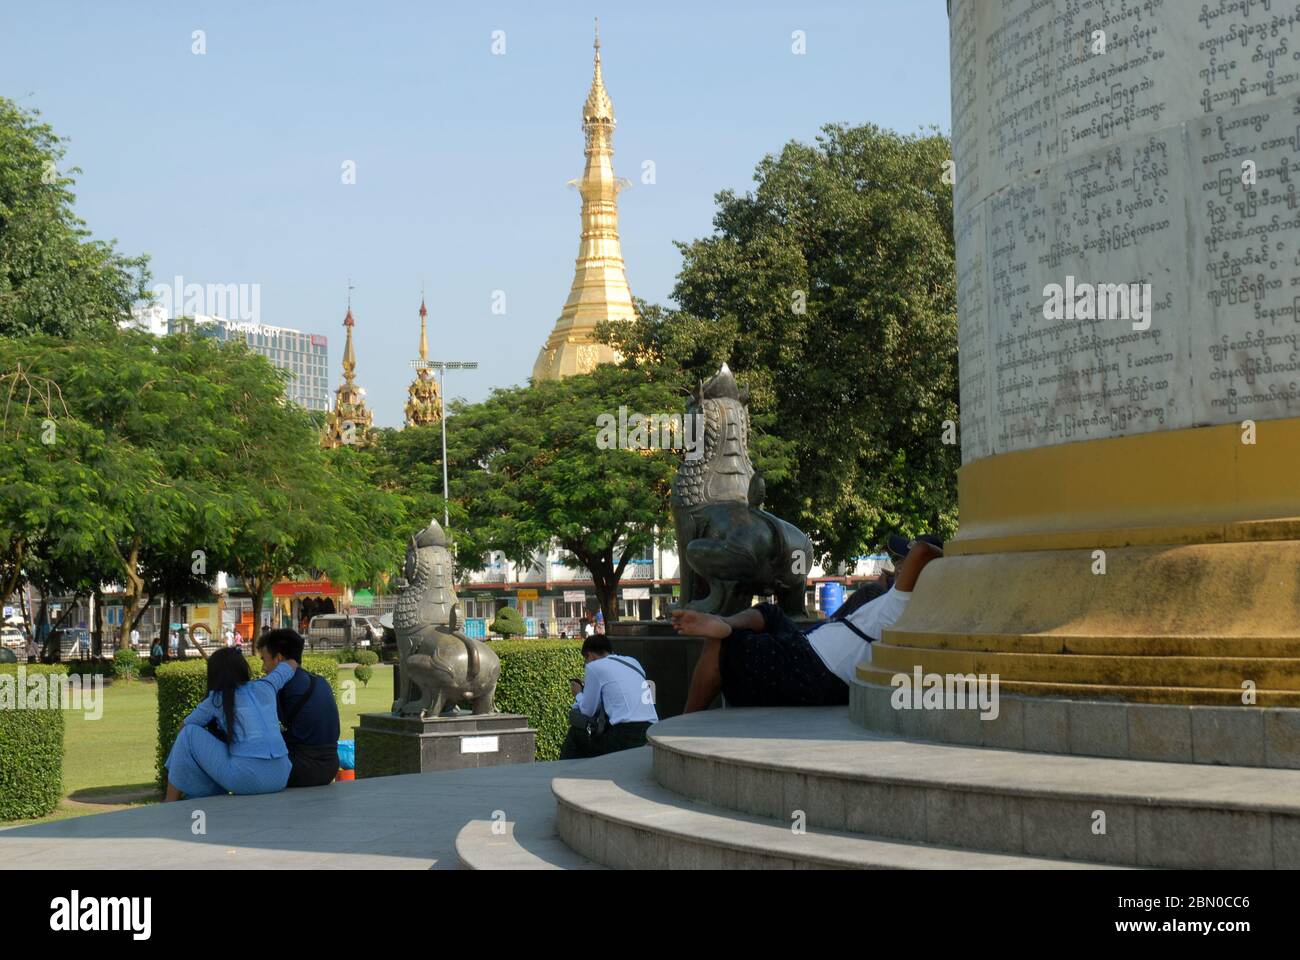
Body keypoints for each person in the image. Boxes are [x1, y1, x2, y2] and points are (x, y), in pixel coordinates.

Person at [673, 538, 943, 712]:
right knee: (769, 612)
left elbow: (921, 551)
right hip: (811, 645)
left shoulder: (903, 602)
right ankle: (726, 623)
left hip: (816, 668)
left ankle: (685, 720)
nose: (897, 568)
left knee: (721, 648)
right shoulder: (894, 599)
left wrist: (951, 558)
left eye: (902, 563)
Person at [163, 647, 295, 800]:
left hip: (246, 778)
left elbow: (184, 728)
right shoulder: (267, 685)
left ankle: (170, 800)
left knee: (188, 734)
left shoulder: (216, 699)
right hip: (281, 776)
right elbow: (291, 664)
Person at [257, 628, 340, 788]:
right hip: (330, 766)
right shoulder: (319, 681)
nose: (263, 668)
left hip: (301, 769)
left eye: (264, 660)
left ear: (278, 659)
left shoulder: (283, 688)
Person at [560, 634, 658, 759]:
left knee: (576, 734)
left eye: (585, 659)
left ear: (590, 655)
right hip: (651, 729)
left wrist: (578, 694)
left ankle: (560, 773)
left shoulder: (594, 667)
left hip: (625, 735)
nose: (586, 664)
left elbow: (588, 711)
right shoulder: (633, 662)